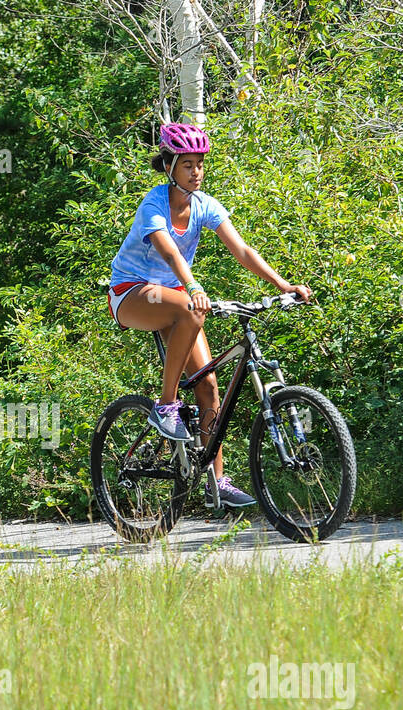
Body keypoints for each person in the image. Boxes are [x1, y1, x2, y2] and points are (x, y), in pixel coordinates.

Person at [107, 122, 313, 510]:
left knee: (209, 386)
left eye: (200, 164)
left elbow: (243, 250)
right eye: (187, 164)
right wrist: (195, 289)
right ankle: (165, 406)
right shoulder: (154, 205)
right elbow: (170, 253)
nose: (196, 171)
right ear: (169, 166)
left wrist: (283, 285)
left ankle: (216, 480)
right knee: (190, 309)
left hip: (177, 301)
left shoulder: (204, 205)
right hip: (131, 293)